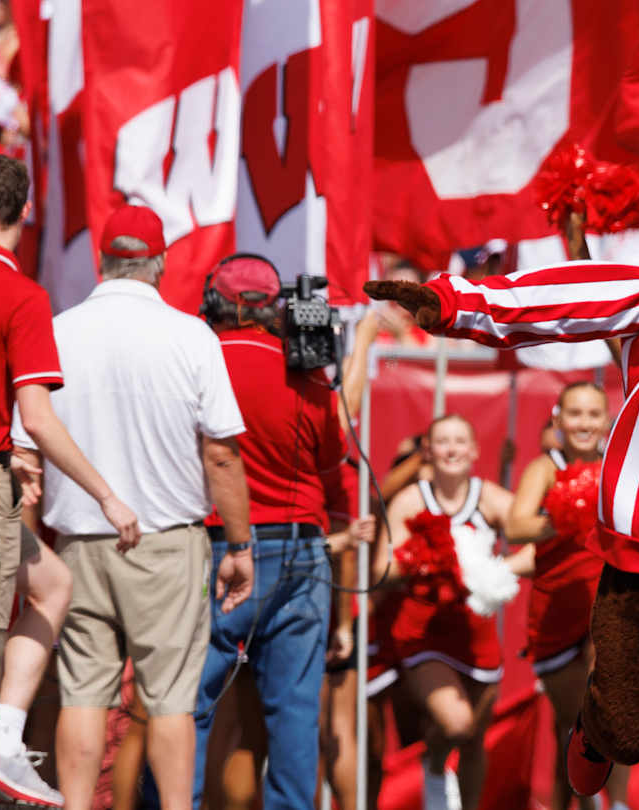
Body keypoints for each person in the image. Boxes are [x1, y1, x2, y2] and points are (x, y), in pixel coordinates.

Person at [16, 204, 253, 810]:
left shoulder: (59, 329)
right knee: (171, 698)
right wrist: (242, 544)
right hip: (168, 542)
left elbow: (25, 451)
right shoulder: (190, 335)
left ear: (103, 260)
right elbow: (221, 456)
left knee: (83, 694)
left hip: (77, 540)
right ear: (160, 264)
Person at [186, 254, 375, 808]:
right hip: (297, 553)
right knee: (293, 712)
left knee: (188, 704)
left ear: (214, 304)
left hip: (215, 549)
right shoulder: (305, 369)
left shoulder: (197, 358)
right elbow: (332, 454)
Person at [0, 153, 138, 808]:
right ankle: (0, 748)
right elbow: (39, 418)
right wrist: (107, 494)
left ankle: (5, 744)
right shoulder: (21, 294)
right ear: (25, 212)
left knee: (51, 581)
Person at [372, 413, 528, 810]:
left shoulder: (490, 496)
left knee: (475, 737)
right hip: (423, 633)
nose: (452, 449)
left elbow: (534, 546)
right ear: (429, 451)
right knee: (456, 723)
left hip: (478, 637)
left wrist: (492, 571)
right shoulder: (412, 498)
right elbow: (379, 568)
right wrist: (423, 561)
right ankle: (435, 762)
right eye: (443, 441)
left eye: (460, 441)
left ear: (475, 450)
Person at [505, 381, 629, 810]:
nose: (584, 423)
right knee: (572, 724)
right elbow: (515, 527)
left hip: (608, 606)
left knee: (612, 713)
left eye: (594, 414)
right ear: (557, 419)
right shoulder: (544, 467)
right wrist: (565, 514)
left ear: (607, 420)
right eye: (575, 414)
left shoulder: (618, 465)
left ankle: (617, 804)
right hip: (555, 611)